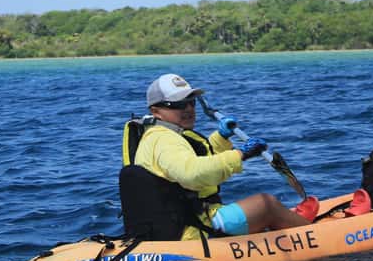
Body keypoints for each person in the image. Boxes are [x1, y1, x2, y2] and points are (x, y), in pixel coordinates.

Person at [130, 73, 319, 240]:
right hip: (194, 228)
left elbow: (195, 162)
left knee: (263, 207)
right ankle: (315, 235)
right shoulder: (164, 140)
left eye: (191, 102)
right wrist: (241, 155)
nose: (188, 109)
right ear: (156, 111)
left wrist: (220, 139)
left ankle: (289, 222)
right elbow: (192, 174)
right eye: (178, 105)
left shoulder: (160, 135)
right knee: (266, 204)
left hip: (182, 222)